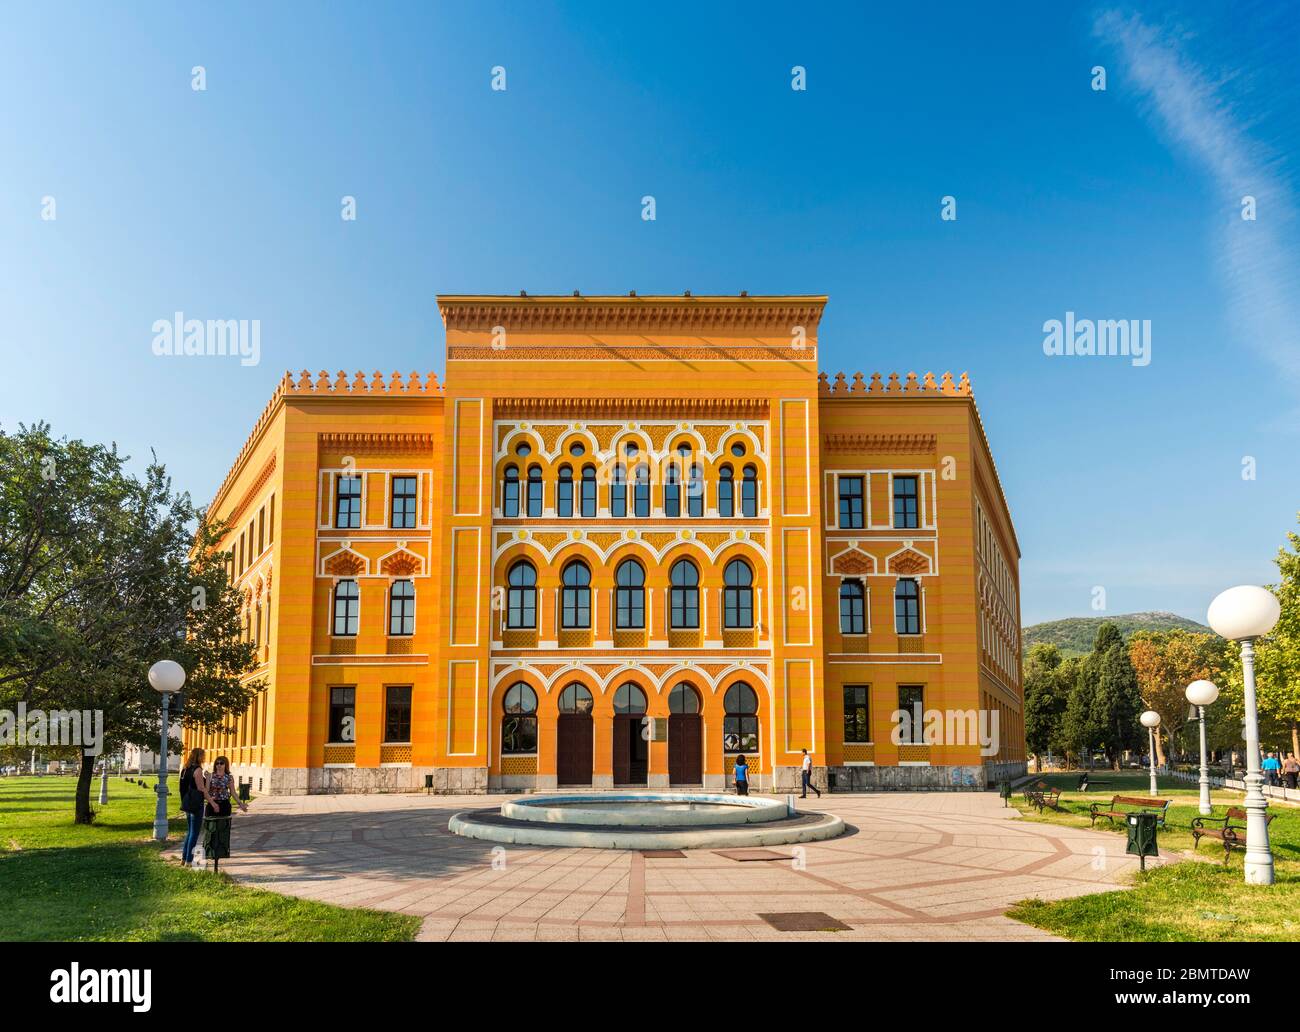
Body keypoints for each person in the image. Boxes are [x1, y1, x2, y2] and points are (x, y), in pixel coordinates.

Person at [200, 755, 247, 872]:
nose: (219, 765)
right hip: (212, 805)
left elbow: (233, 792)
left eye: (221, 763)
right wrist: (213, 804)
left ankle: (219, 854)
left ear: (225, 765)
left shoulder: (229, 777)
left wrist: (241, 804)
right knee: (210, 830)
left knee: (222, 830)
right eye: (217, 763)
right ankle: (209, 853)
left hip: (225, 805)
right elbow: (206, 792)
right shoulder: (210, 776)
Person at [178, 748, 208, 866]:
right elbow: (201, 788)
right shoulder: (197, 770)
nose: (204, 758)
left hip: (187, 803)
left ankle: (184, 859)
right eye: (203, 756)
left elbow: (182, 787)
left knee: (190, 831)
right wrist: (208, 779)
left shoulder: (185, 769)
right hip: (196, 804)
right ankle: (189, 861)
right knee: (194, 833)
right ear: (199, 757)